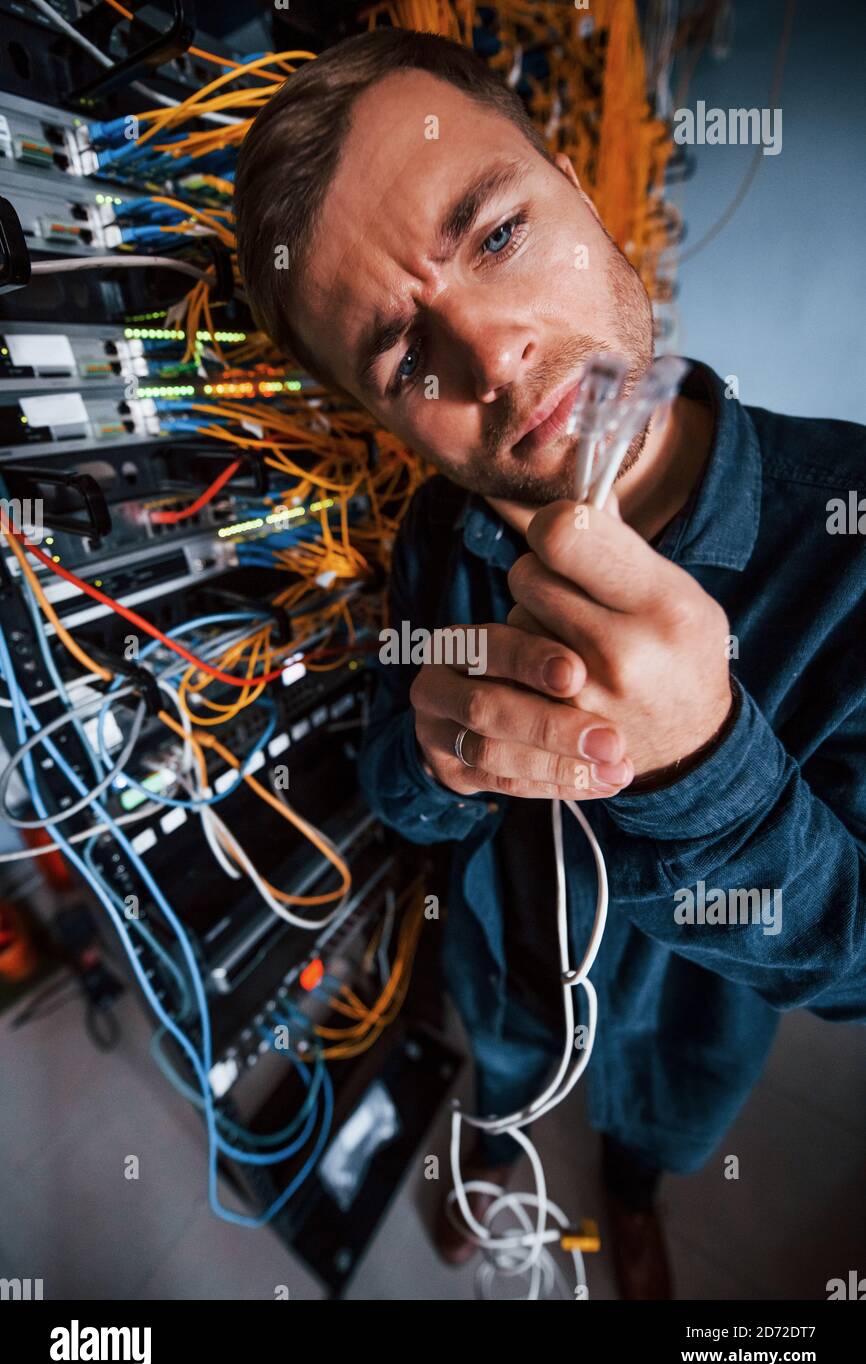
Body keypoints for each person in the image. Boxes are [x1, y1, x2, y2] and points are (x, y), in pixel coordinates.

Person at [234, 28, 866, 1299]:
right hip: (503, 996)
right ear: (382, 421)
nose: (488, 355)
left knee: (654, 1135)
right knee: (500, 1078)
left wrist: (708, 773)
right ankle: (490, 1142)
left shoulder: (845, 534)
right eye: (406, 357)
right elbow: (396, 785)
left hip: (692, 1025)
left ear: (576, 187)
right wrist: (431, 755)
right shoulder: (434, 543)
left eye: (495, 235)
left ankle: (629, 1202)